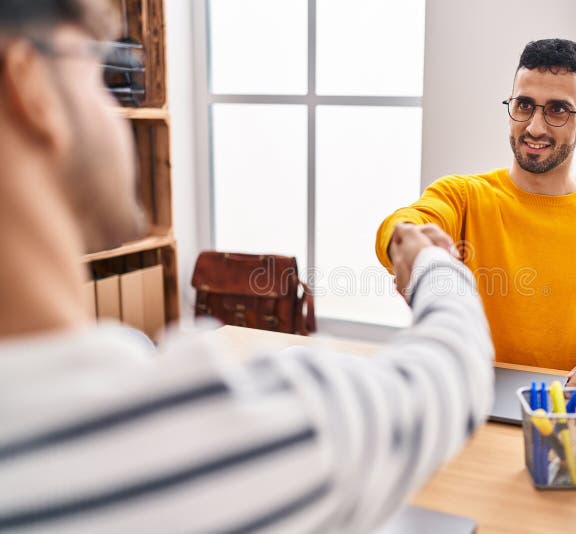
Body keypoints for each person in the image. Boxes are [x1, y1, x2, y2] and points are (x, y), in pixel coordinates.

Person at [0, 2, 493, 532]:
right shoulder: (211, 441)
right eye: (101, 70)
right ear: (32, 85)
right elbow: (448, 374)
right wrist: (431, 262)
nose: (116, 110)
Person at [376, 38, 576, 405]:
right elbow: (408, 223)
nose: (534, 127)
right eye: (524, 105)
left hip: (569, 415)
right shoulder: (463, 195)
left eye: (558, 110)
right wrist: (408, 241)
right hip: (469, 405)